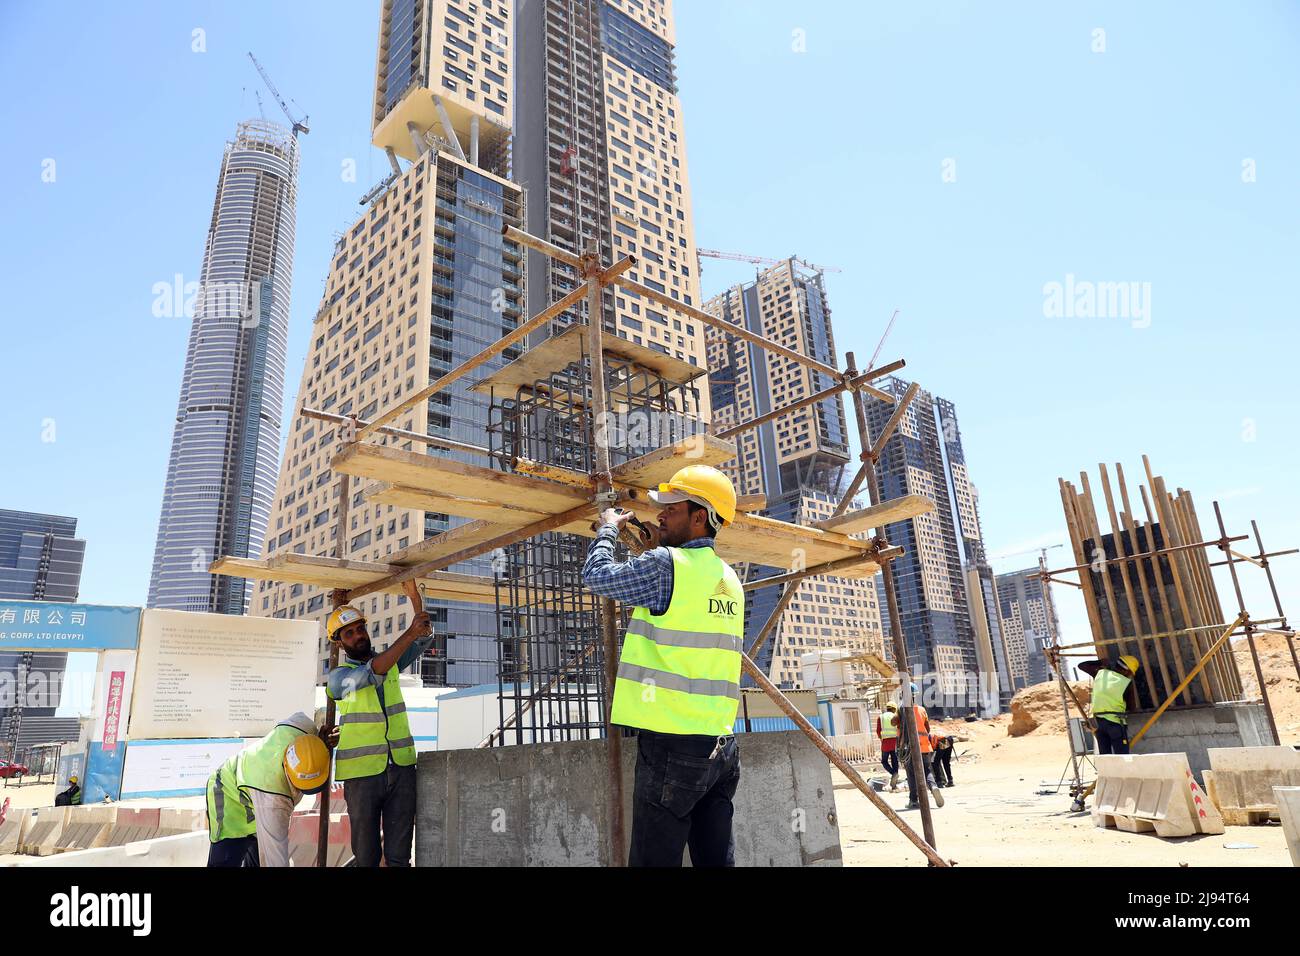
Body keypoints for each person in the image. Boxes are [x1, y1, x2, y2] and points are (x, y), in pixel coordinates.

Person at [582, 464, 744, 867]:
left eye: (670, 508)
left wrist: (607, 529)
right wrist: (658, 548)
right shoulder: (728, 578)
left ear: (699, 517)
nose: (660, 515)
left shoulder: (664, 565)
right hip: (720, 749)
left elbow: (597, 576)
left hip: (673, 747)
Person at [326, 594, 433, 867]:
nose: (358, 636)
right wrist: (409, 632)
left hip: (401, 768)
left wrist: (418, 611)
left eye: (360, 629)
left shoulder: (391, 661)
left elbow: (422, 639)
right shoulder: (339, 679)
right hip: (362, 777)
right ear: (339, 643)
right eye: (349, 634)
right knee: (367, 858)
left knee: (399, 857)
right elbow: (374, 670)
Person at [205, 712, 330, 867]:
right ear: (287, 769)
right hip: (228, 792)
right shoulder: (275, 800)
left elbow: (302, 724)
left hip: (255, 788)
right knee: (227, 857)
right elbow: (275, 860)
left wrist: (321, 741)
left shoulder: (303, 729)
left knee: (257, 859)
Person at [1079, 654, 1140, 754]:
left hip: (1098, 723)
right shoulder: (1126, 683)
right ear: (1126, 670)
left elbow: (1082, 665)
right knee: (1122, 756)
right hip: (1115, 723)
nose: (1130, 676)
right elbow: (1131, 708)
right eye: (1130, 673)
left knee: (1105, 756)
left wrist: (1099, 662)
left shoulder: (1100, 673)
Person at [898, 684, 943, 809]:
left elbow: (898, 727)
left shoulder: (902, 709)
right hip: (924, 747)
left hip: (910, 748)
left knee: (911, 774)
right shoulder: (922, 710)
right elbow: (927, 728)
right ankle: (933, 786)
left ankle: (913, 800)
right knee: (927, 770)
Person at [876, 703, 900, 790]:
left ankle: (893, 774)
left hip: (885, 742)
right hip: (895, 742)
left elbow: (878, 731)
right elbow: (899, 728)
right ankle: (895, 780)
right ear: (894, 709)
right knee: (895, 761)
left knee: (884, 761)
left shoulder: (881, 717)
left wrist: (881, 738)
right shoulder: (896, 716)